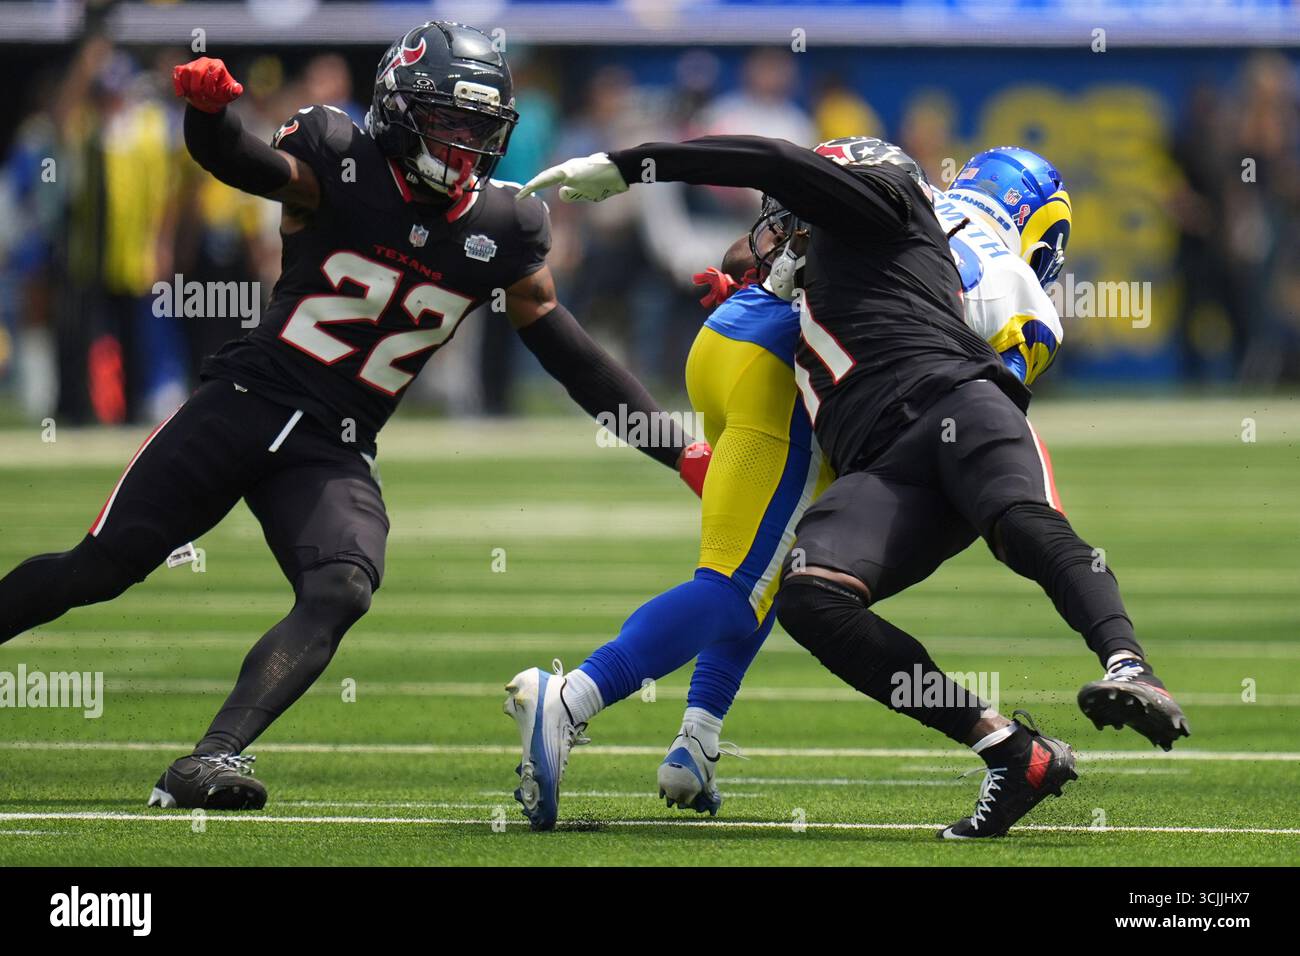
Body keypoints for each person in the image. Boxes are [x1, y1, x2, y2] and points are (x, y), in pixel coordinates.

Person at [0, 21, 707, 811]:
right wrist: (208, 118)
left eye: (481, 128)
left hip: (334, 443)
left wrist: (673, 447)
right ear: (401, 112)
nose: (466, 144)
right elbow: (248, 162)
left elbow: (571, 354)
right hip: (244, 403)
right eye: (449, 122)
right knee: (97, 569)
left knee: (342, 584)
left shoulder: (505, 226)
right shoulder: (339, 154)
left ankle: (209, 761)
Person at [516, 135, 1189, 838]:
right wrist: (637, 167)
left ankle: (999, 749)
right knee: (1010, 524)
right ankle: (1127, 662)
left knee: (795, 586)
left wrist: (641, 168)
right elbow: (987, 366)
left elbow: (768, 223)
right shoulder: (966, 247)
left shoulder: (897, 202)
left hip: (774, 365)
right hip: (900, 412)